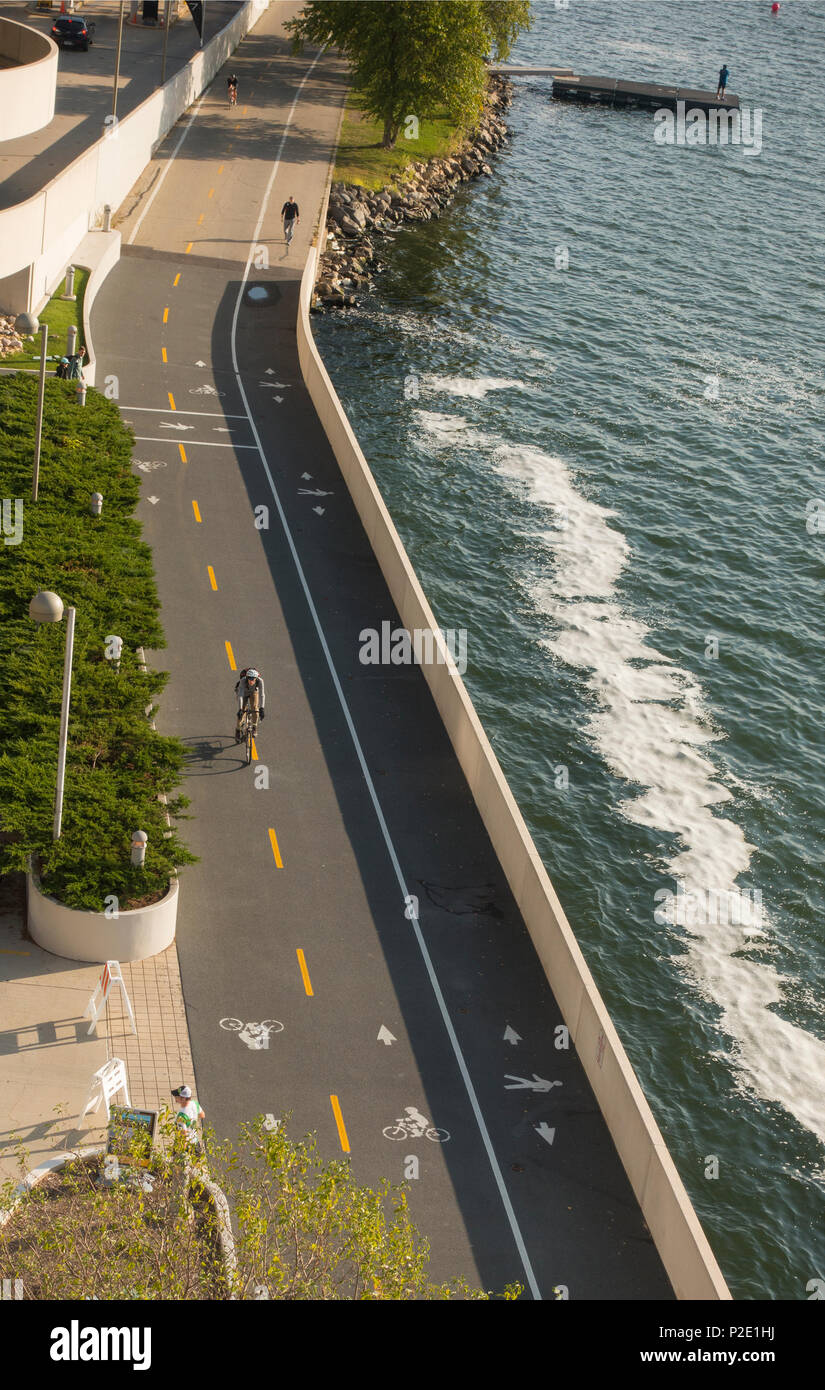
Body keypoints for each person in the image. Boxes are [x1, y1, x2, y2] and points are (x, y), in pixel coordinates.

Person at [235, 666, 266, 741]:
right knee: (242, 713)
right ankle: (238, 730)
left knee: (255, 708)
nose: (251, 680)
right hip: (243, 693)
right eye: (249, 678)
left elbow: (262, 695)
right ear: (247, 677)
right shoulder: (243, 681)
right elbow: (240, 696)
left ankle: (254, 727)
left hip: (253, 692)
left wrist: (262, 708)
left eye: (253, 679)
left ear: (256, 678)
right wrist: (240, 709)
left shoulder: (260, 681)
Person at [171, 1085, 205, 1151]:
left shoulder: (181, 1116)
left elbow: (183, 1135)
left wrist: (180, 1152)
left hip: (184, 1145)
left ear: (183, 1099)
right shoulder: (195, 1104)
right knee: (197, 1161)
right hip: (195, 1141)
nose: (175, 1097)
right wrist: (192, 1117)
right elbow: (202, 1115)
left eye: (177, 1096)